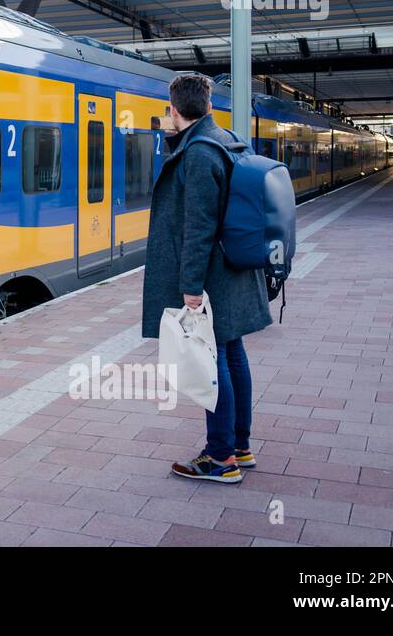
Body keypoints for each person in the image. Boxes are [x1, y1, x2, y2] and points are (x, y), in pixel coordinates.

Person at [142, 73, 274, 484]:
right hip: (232, 271)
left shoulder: (199, 153)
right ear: (210, 106)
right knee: (233, 358)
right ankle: (239, 447)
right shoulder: (225, 139)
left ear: (174, 109)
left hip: (212, 278)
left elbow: (198, 226)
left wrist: (191, 288)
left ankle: (220, 458)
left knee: (214, 365)